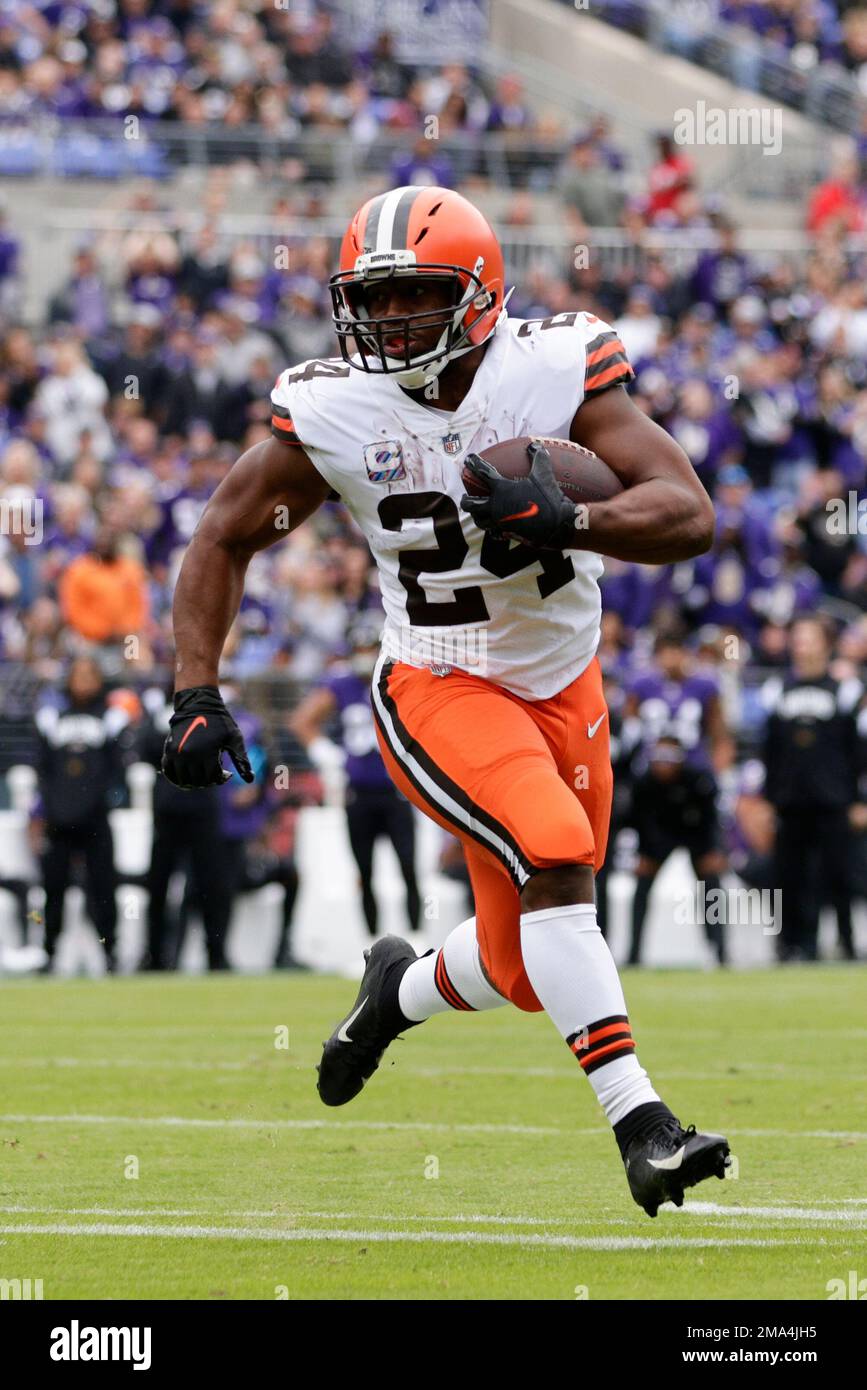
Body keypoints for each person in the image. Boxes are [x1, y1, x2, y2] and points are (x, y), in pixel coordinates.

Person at [161, 185, 728, 1219]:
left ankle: (395, 992)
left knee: (522, 964)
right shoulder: (334, 406)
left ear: (480, 294)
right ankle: (644, 1125)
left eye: (414, 296)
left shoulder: (553, 368)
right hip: (440, 675)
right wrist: (194, 688)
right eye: (370, 302)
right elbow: (222, 535)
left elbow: (689, 513)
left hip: (567, 680)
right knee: (557, 852)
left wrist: (574, 517)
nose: (387, 322)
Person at [291, 615, 421, 937]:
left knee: (408, 867)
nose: (364, 654)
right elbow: (302, 721)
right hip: (359, 793)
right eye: (359, 648)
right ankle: (373, 945)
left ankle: (417, 939)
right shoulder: (341, 683)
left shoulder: (397, 676)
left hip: (397, 791)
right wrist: (324, 751)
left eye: (368, 647)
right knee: (364, 871)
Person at [762, 616, 865, 961]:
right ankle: (793, 944)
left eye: (809, 638)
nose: (801, 645)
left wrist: (858, 799)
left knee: (839, 874)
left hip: (834, 800)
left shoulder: (847, 692)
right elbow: (770, 753)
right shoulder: (776, 691)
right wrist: (766, 799)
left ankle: (846, 941)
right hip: (789, 801)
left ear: (826, 643)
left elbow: (858, 752)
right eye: (798, 638)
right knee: (789, 876)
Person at [32, 656, 127, 973]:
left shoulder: (111, 718)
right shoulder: (51, 717)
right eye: (78, 674)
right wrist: (48, 810)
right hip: (59, 820)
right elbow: (42, 769)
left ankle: (109, 951)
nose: (84, 680)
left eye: (90, 674)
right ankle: (49, 951)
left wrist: (101, 800)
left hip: (96, 819)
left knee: (103, 887)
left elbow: (117, 769)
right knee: (53, 888)